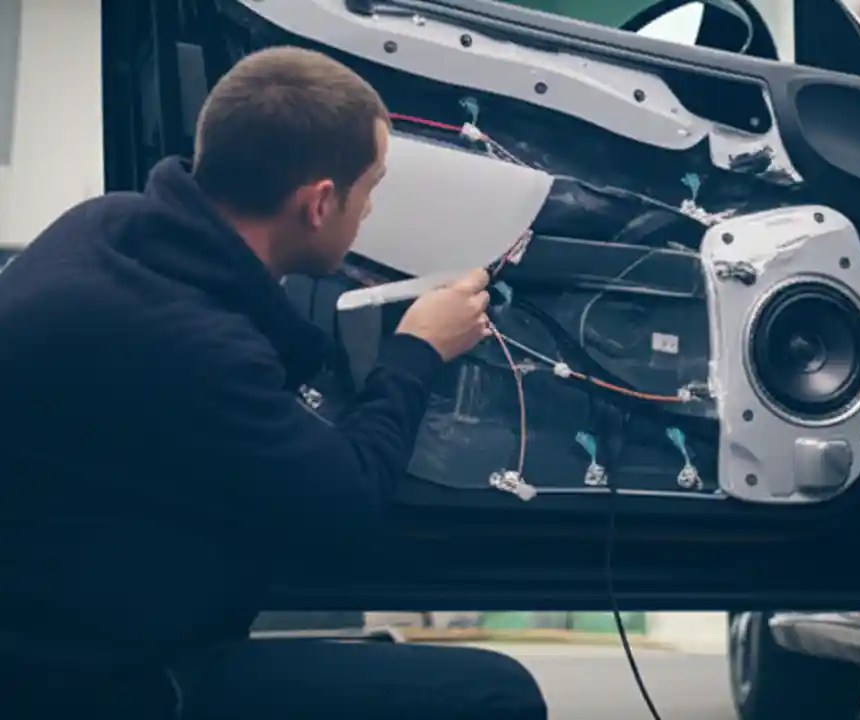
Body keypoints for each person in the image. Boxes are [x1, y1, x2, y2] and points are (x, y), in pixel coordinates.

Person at [0, 46, 547, 719]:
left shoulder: (105, 228)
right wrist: (418, 350)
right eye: (370, 188)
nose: (369, 213)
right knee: (499, 694)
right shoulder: (192, 347)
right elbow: (345, 510)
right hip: (101, 683)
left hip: (47, 623)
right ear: (319, 203)